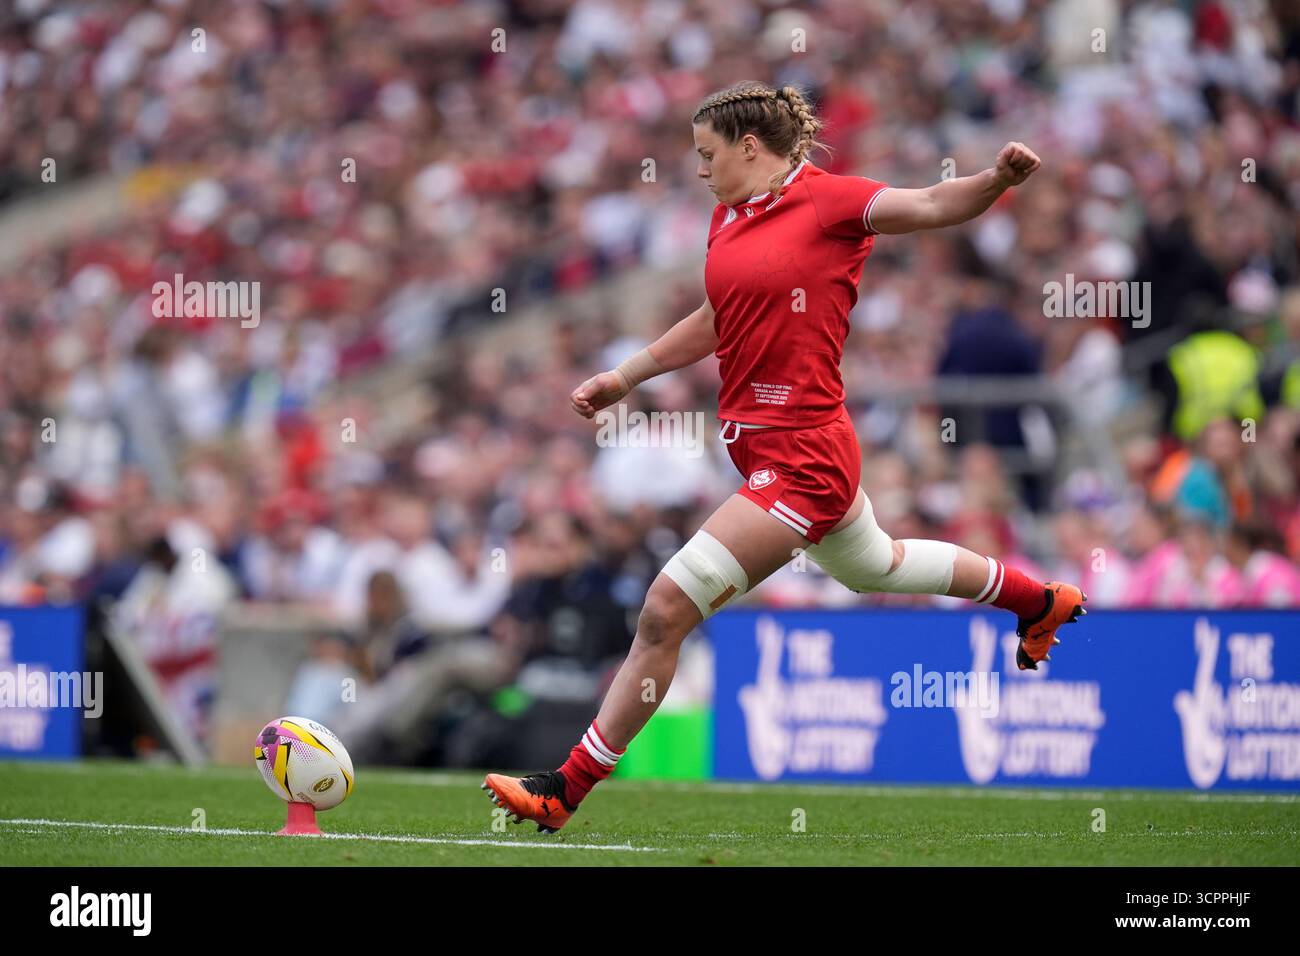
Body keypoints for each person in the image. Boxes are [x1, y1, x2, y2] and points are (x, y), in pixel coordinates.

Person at [482, 82, 1087, 832]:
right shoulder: (726, 218)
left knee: (665, 611)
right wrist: (626, 375)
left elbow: (931, 205)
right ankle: (1039, 600)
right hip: (769, 452)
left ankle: (563, 789)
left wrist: (996, 180)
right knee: (880, 567)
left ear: (749, 147)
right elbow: (713, 318)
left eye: (708, 155)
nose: (700, 170)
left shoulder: (830, 202)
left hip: (804, 459)